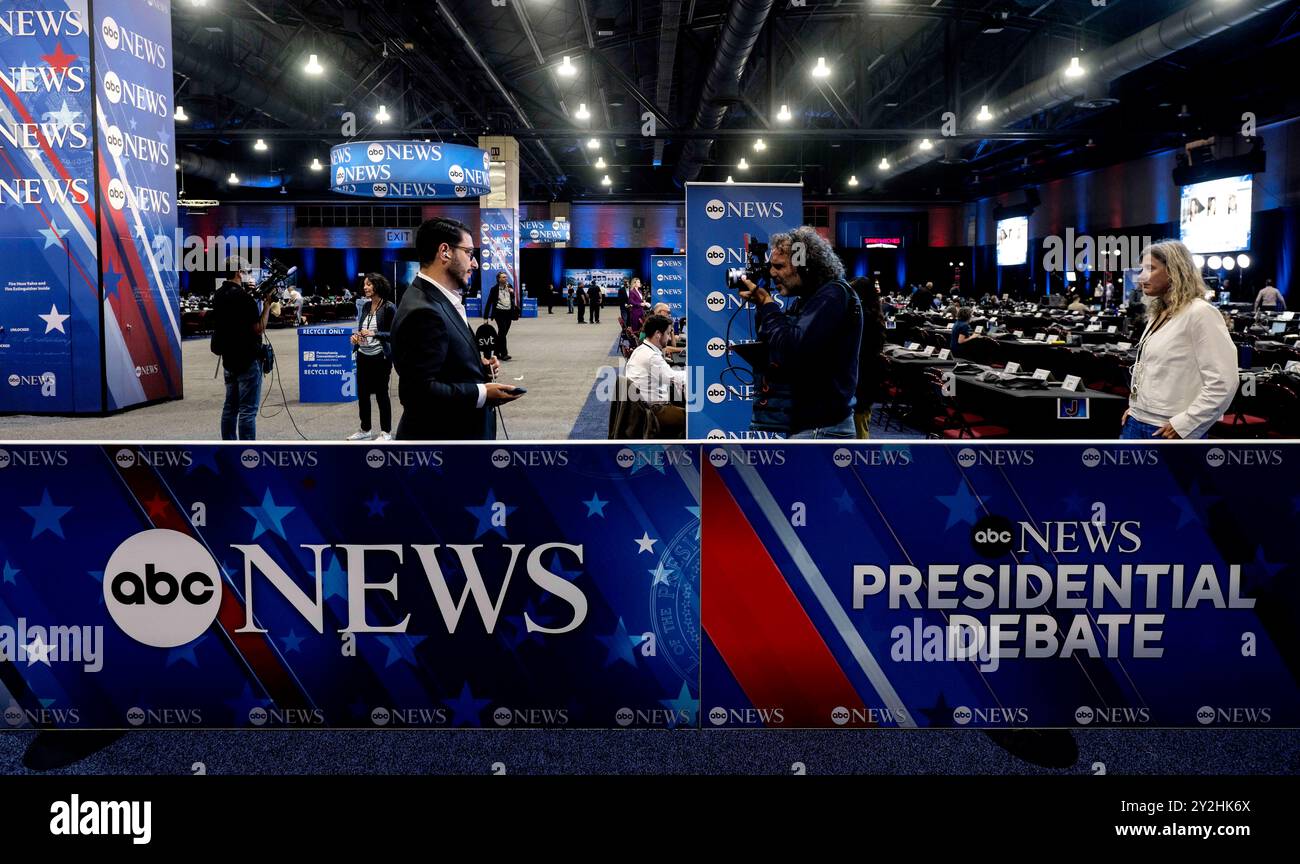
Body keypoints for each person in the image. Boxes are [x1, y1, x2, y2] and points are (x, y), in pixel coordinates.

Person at [392, 217, 521, 440]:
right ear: (445, 252)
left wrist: (475, 364)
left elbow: (438, 359)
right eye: (469, 253)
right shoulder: (423, 311)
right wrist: (482, 393)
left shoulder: (438, 299)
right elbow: (418, 393)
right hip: (443, 449)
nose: (475, 264)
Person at [738, 226, 862, 438]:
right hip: (811, 424)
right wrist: (763, 308)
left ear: (805, 267)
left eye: (779, 266)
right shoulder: (809, 301)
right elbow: (780, 347)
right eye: (770, 266)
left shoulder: (831, 296)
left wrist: (768, 304)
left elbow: (792, 348)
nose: (771, 273)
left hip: (822, 427)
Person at [1122, 240, 1237, 440]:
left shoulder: (1200, 313)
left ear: (1175, 271)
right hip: (1138, 422)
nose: (1141, 277)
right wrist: (1136, 409)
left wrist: (1187, 423)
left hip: (1168, 429)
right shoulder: (1159, 312)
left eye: (1151, 269)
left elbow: (1223, 382)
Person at [210, 258, 271, 440]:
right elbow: (259, 327)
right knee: (247, 410)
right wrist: (267, 306)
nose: (247, 275)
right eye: (245, 271)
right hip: (248, 359)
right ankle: (246, 450)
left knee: (230, 407)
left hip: (229, 359)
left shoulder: (218, 295)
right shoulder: (244, 298)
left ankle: (229, 446)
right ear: (238, 272)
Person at [348, 273, 396, 441]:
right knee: (362, 394)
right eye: (364, 285)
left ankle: (386, 432)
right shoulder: (366, 307)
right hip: (363, 355)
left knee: (382, 394)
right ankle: (365, 429)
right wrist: (356, 337)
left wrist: (374, 333)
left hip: (380, 357)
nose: (365, 287)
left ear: (377, 286)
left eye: (369, 284)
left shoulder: (389, 307)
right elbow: (362, 329)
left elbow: (394, 334)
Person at [625, 315, 686, 437]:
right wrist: (695, 374)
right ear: (658, 334)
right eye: (668, 333)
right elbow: (672, 378)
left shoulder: (641, 349)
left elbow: (668, 375)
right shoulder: (652, 356)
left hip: (641, 408)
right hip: (652, 411)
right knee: (692, 418)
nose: (669, 338)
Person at [851, 277, 886, 439]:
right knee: (861, 419)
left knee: (859, 423)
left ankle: (861, 458)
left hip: (861, 376)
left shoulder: (862, 316)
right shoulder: (874, 315)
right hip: (868, 376)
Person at [484, 271, 519, 361]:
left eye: (506, 277)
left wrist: (512, 293)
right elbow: (489, 303)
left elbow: (512, 299)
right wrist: (485, 317)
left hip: (508, 313)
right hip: (499, 313)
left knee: (502, 334)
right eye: (503, 277)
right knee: (502, 331)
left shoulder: (509, 286)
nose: (505, 278)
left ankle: (496, 352)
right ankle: (504, 354)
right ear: (498, 279)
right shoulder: (494, 289)